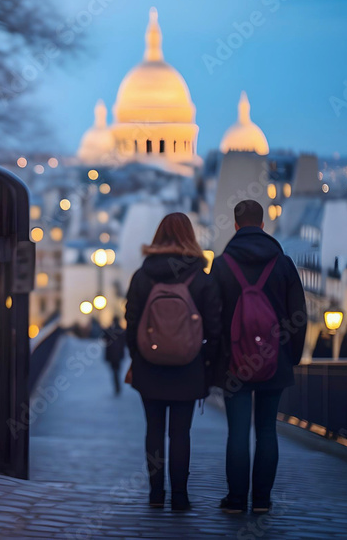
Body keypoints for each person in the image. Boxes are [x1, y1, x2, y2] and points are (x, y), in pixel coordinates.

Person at [209, 199, 307, 514]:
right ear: (263, 225)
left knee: (237, 430)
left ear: (236, 225)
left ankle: (236, 500)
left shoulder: (222, 264)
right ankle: (262, 500)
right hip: (273, 359)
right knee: (267, 429)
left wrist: (215, 358)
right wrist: (291, 357)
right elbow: (299, 316)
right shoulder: (283, 263)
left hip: (233, 362)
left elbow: (212, 316)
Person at [124, 213, 222, 511]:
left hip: (149, 365)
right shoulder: (201, 277)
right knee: (180, 433)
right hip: (188, 367)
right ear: (190, 237)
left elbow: (131, 322)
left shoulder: (143, 275)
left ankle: (156, 494)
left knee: (153, 431)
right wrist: (204, 361)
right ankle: (180, 496)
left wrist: (138, 355)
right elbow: (215, 329)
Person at [101, 318, 127, 395]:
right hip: (117, 355)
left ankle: (117, 387)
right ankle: (117, 387)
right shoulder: (121, 331)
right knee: (116, 372)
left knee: (115, 372)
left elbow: (104, 337)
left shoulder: (110, 331)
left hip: (113, 355)